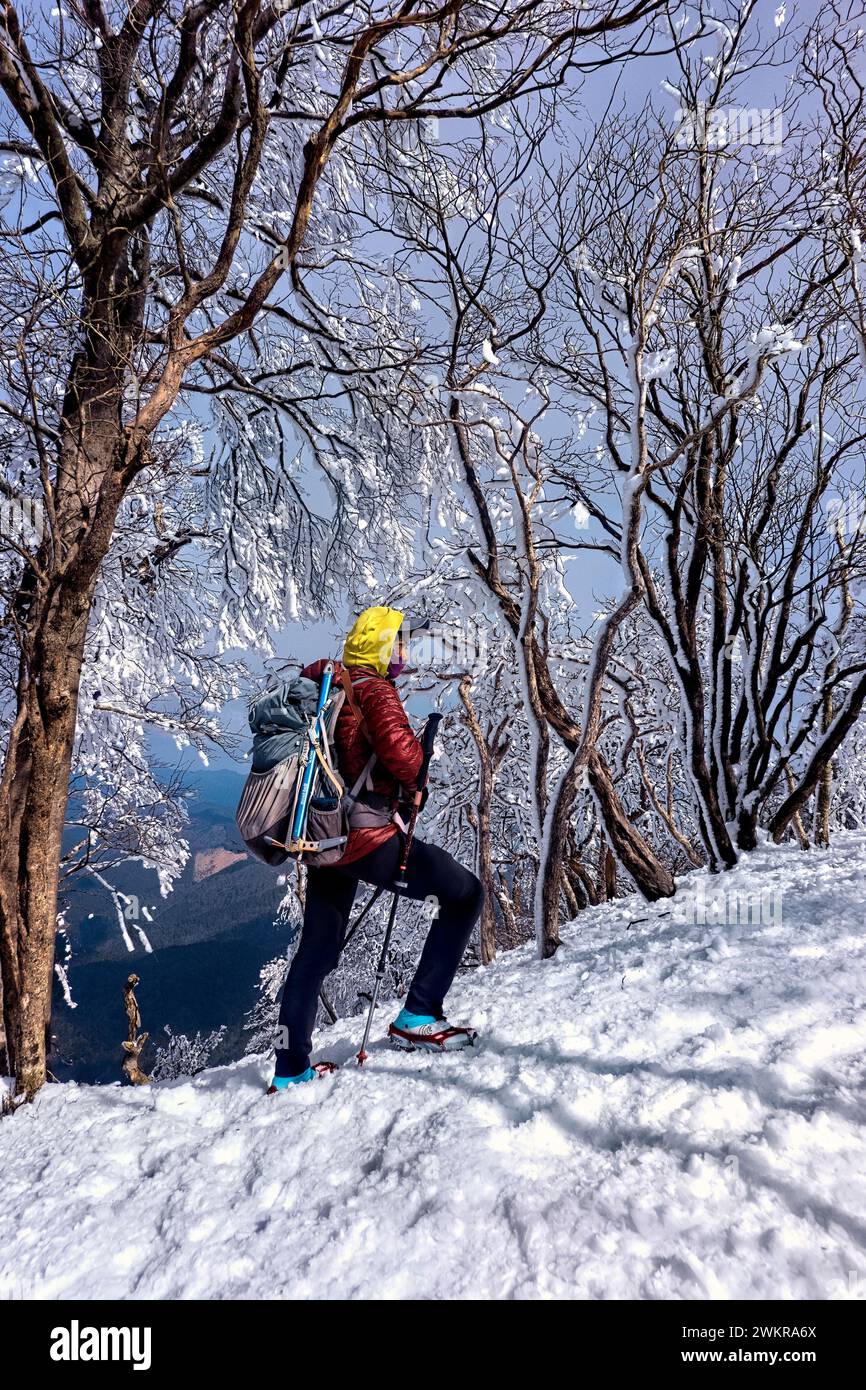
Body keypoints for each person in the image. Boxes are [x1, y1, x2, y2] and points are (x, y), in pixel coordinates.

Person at [269, 605, 483, 1090]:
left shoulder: (329, 684)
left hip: (324, 839)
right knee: (464, 893)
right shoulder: (375, 690)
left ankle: (290, 1068)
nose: (405, 654)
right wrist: (420, 755)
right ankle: (419, 1013)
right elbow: (406, 762)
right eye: (400, 644)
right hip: (366, 839)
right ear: (382, 647)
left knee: (317, 950)